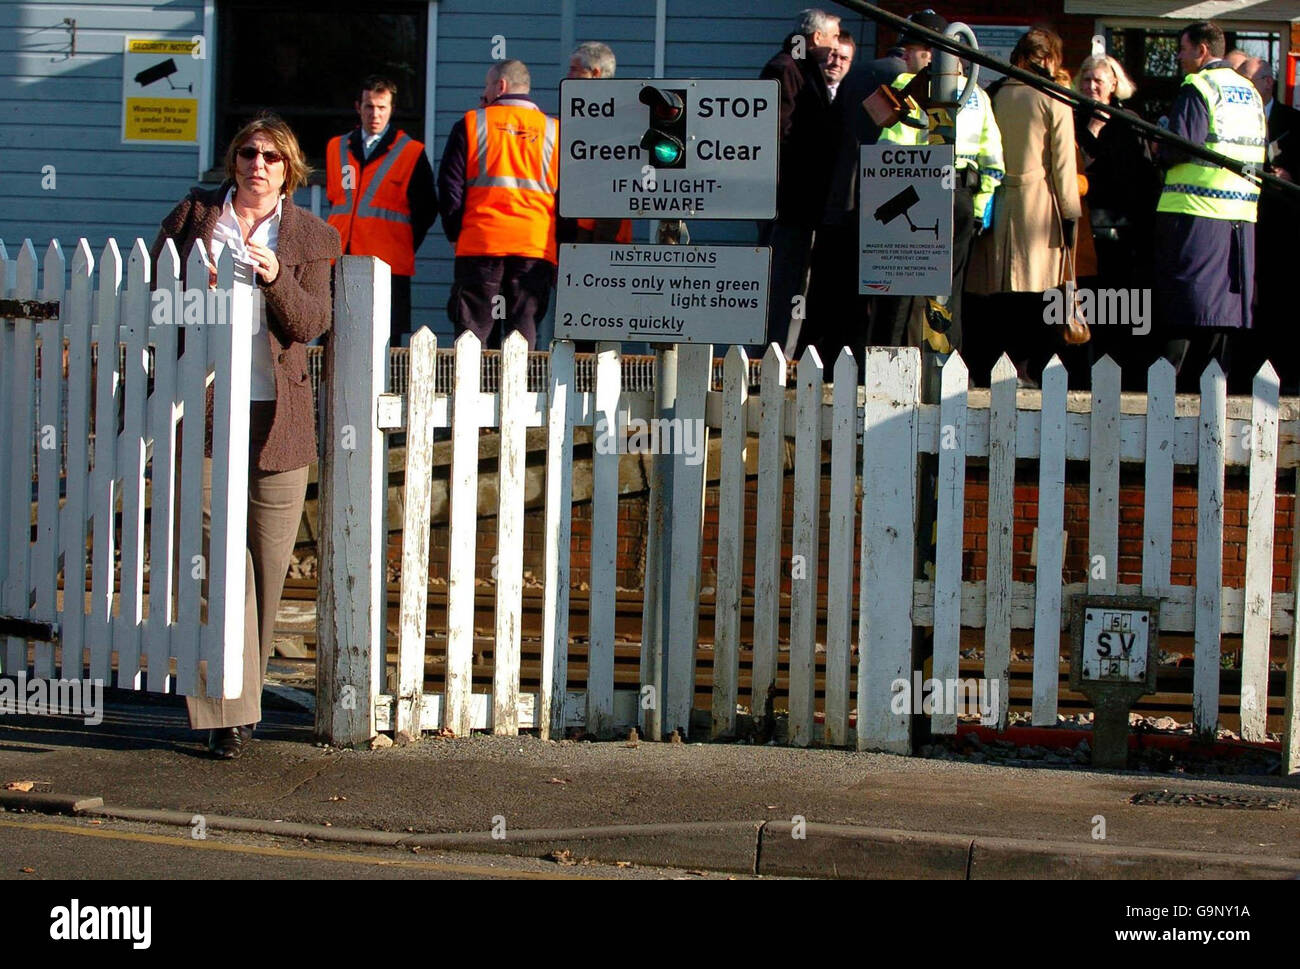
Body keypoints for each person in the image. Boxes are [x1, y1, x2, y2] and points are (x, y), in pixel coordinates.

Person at [150, 114, 341, 760]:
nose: (257, 164)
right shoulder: (192, 218)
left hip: (277, 423)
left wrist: (273, 276)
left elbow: (312, 323)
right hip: (204, 416)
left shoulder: (313, 236)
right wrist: (190, 291)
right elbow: (152, 301)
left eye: (270, 156)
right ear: (234, 161)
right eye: (247, 153)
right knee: (220, 569)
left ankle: (242, 700)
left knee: (264, 570)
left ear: (289, 169)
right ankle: (225, 712)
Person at [1152, 21, 1266, 392]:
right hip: (1241, 216)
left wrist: (1158, 147)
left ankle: (1171, 394)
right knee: (1223, 315)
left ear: (1201, 50)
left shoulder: (1198, 86)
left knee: (1183, 309)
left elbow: (1184, 143)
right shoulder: (1249, 91)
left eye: (1183, 49)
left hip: (1195, 212)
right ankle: (1214, 391)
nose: (1180, 58)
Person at [966, 27, 1081, 386]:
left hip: (994, 203)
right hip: (1040, 208)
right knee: (1038, 296)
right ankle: (1026, 368)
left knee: (993, 295)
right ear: (1048, 59)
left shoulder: (992, 93)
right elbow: (1063, 166)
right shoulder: (1054, 98)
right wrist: (1071, 214)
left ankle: (987, 367)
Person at [439, 59, 558, 349]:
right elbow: (568, 197)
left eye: (487, 86)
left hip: (481, 243)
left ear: (500, 86)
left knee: (474, 332)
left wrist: (457, 234)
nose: (486, 92)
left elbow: (449, 187)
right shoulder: (555, 132)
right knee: (523, 329)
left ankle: (474, 391)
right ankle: (518, 393)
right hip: (534, 246)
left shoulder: (472, 123)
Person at [325, 76, 437, 348]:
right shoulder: (336, 147)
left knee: (386, 337)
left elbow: (427, 209)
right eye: (369, 106)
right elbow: (335, 199)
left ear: (391, 109)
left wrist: (402, 243)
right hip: (340, 256)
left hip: (388, 261)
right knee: (335, 332)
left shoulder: (410, 152)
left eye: (381, 107)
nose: (375, 114)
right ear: (358, 107)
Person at [1072, 53, 1161, 386]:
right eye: (1086, 79)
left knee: (1120, 309)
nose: (1091, 86)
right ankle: (1081, 373)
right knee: (1081, 308)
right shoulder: (1070, 119)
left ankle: (1121, 374)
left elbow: (1143, 178)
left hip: (1121, 232)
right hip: (1080, 229)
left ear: (1114, 85)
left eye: (1098, 80)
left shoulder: (1129, 122)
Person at [758, 7, 840, 355]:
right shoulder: (786, 68)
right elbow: (777, 131)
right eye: (834, 37)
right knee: (782, 281)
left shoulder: (803, 67)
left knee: (794, 281)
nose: (836, 47)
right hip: (787, 197)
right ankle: (772, 354)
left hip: (799, 197)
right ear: (816, 37)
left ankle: (782, 351)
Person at [1237, 56, 1300, 392]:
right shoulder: (1235, 119)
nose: (1245, 89)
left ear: (1267, 83)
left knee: (1281, 308)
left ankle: (1285, 378)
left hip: (1285, 231)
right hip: (1246, 224)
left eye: (1250, 81)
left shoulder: (1294, 122)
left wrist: (1291, 177)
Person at [824, 32, 855, 101]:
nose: (836, 63)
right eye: (833, 55)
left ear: (850, 63)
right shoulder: (801, 88)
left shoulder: (854, 98)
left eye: (844, 58)